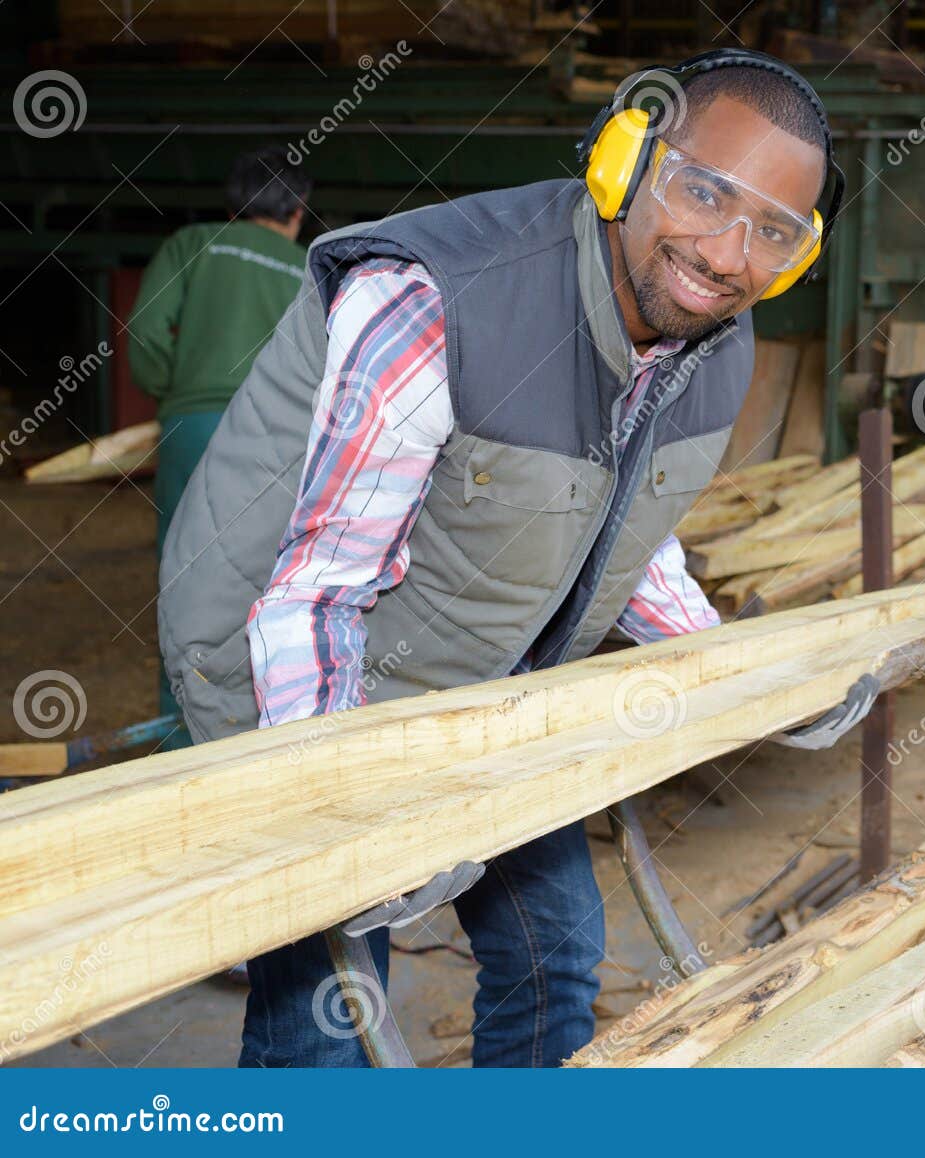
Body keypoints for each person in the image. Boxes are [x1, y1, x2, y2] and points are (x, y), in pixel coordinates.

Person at [157, 50, 871, 1068]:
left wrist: (758, 686)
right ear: (623, 165)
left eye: (774, 231)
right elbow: (313, 596)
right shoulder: (439, 297)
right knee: (331, 1012)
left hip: (481, 684)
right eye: (704, 191)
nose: (727, 253)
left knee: (557, 952)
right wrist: (343, 826)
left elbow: (630, 532)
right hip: (283, 669)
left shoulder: (713, 339)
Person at [128, 146, 311, 734]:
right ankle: (265, 737)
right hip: (281, 442)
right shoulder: (310, 269)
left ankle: (180, 741)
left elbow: (147, 337)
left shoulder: (192, 244)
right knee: (274, 587)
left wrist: (176, 393)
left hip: (194, 427)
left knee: (183, 586)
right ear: (299, 209)